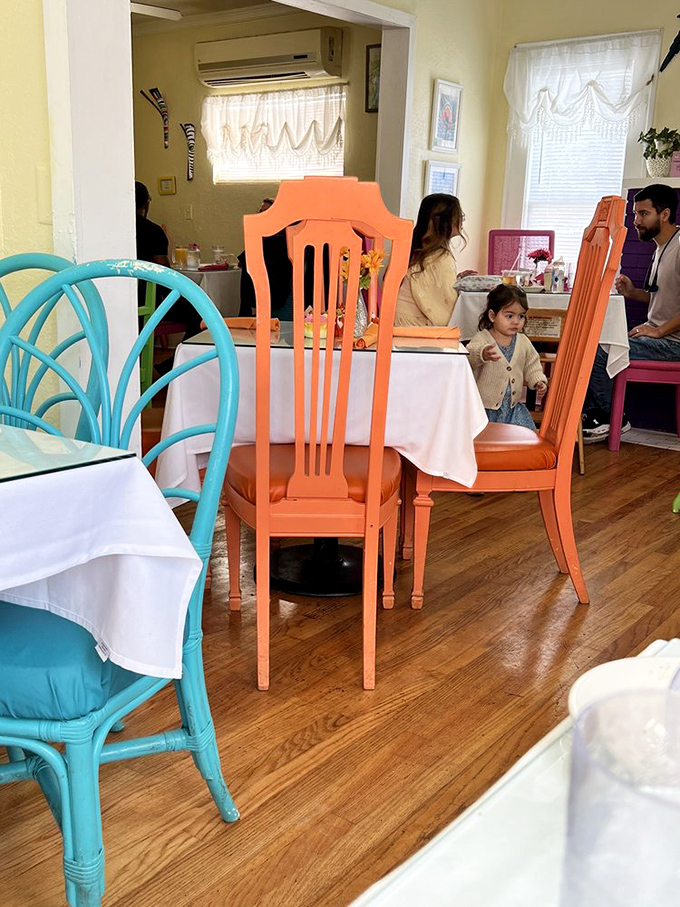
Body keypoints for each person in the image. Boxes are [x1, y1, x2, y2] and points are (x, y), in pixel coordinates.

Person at [582, 183, 680, 442]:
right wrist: (634, 293)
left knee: (600, 347)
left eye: (643, 214)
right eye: (635, 214)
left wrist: (658, 331)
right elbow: (665, 298)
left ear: (665, 214)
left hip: (673, 344)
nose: (636, 221)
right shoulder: (662, 247)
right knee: (593, 341)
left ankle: (608, 417)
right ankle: (598, 414)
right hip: (658, 338)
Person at [467, 284, 547, 430]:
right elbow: (469, 355)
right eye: (509, 316)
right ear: (492, 316)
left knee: (524, 437)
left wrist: (538, 381)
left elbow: (532, 365)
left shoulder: (523, 341)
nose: (516, 321)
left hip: (512, 409)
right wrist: (482, 353)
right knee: (486, 439)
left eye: (521, 316)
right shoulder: (482, 338)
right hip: (485, 409)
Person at [394, 193, 474, 327]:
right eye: (460, 216)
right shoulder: (441, 257)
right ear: (446, 222)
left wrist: (457, 281)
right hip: (414, 327)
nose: (462, 220)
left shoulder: (416, 249)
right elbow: (446, 304)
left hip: (400, 321)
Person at [135, 180, 202, 338]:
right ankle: (177, 359)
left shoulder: (114, 230)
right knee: (200, 313)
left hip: (120, 299)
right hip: (148, 301)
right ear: (146, 203)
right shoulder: (152, 231)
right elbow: (164, 275)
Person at [237, 196, 294, 320]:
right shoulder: (262, 242)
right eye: (261, 212)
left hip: (275, 298)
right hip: (264, 298)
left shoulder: (281, 243)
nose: (261, 217)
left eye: (266, 213)